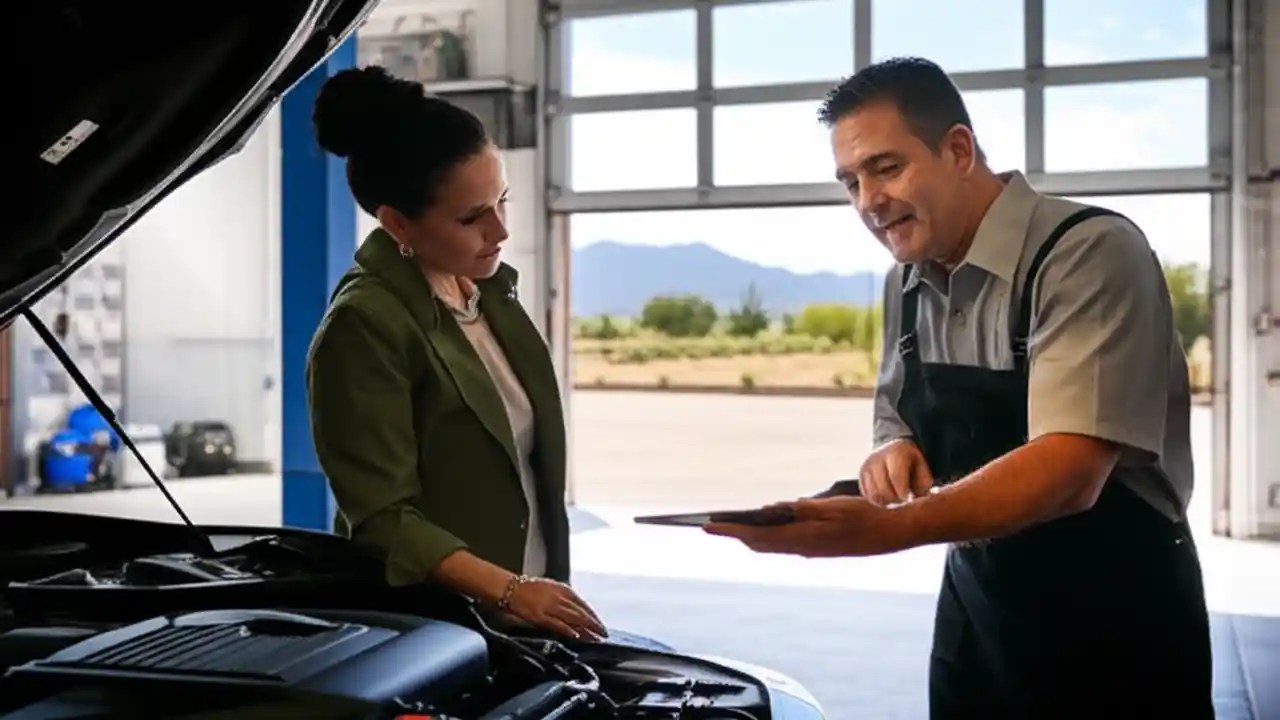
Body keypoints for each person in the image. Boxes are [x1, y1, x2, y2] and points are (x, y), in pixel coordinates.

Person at [705, 57, 1213, 718]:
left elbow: (1071, 471)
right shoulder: (907, 281)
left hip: (1117, 618)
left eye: (887, 168)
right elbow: (896, 415)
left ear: (959, 149)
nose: (867, 202)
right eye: (850, 181)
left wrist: (889, 529)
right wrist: (890, 453)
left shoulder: (1088, 254)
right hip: (981, 611)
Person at [305, 65, 606, 643]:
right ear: (397, 224)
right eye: (471, 217)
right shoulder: (365, 325)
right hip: (435, 629)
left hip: (524, 613)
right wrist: (510, 588)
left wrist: (530, 592)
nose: (500, 230)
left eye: (502, 201)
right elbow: (383, 520)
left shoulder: (490, 292)